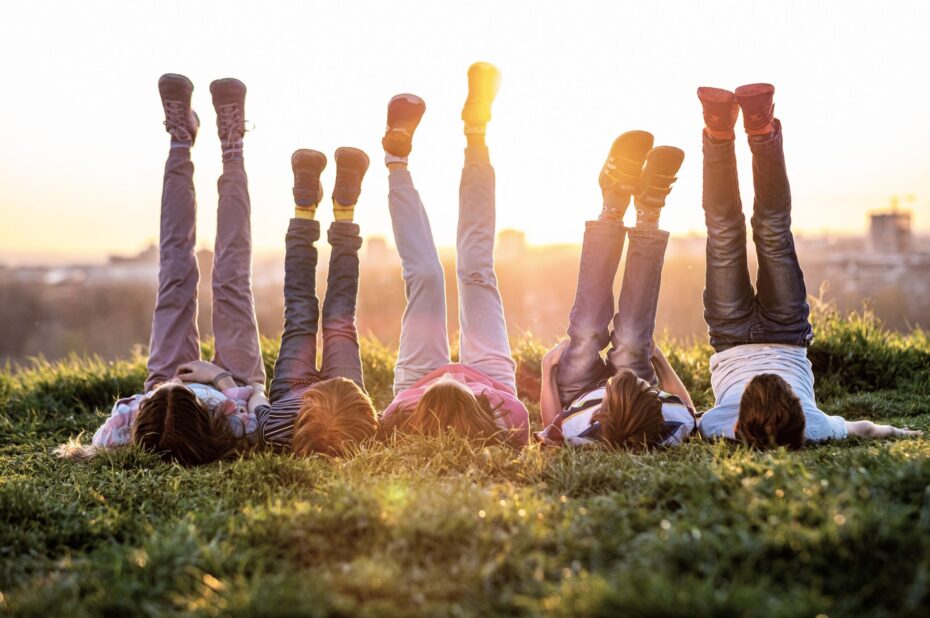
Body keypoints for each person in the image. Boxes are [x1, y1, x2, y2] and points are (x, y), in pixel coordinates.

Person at [696, 83, 921, 448]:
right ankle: (759, 128)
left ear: (737, 425)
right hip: (785, 331)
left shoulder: (715, 425)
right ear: (799, 413)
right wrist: (903, 433)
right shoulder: (810, 428)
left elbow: (863, 428)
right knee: (770, 231)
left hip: (732, 333)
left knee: (726, 234)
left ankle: (719, 130)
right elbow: (864, 428)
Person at [85, 74, 267, 464]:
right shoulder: (235, 426)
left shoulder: (124, 428)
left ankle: (180, 141)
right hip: (235, 381)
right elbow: (259, 406)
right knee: (231, 279)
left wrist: (166, 388)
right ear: (208, 417)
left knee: (175, 272)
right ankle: (233, 145)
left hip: (168, 379)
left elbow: (99, 440)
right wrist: (218, 379)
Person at [377, 62, 529, 447]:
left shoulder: (400, 418)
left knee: (426, 277)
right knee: (476, 270)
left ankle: (396, 159)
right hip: (491, 383)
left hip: (418, 385)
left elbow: (379, 425)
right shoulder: (509, 418)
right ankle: (476, 130)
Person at [537, 132, 696, 449]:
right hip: (638, 395)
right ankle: (648, 212)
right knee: (634, 341)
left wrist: (546, 371)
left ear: (598, 416)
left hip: (579, 390)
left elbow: (552, 425)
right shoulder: (671, 426)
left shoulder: (579, 431)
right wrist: (659, 361)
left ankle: (613, 201)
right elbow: (688, 411)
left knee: (586, 334)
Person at [251, 147, 379, 457]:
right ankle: (304, 207)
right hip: (295, 390)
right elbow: (257, 403)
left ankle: (344, 210)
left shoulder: (361, 437)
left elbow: (374, 416)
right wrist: (253, 391)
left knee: (340, 317)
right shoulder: (274, 434)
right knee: (300, 312)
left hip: (344, 390)